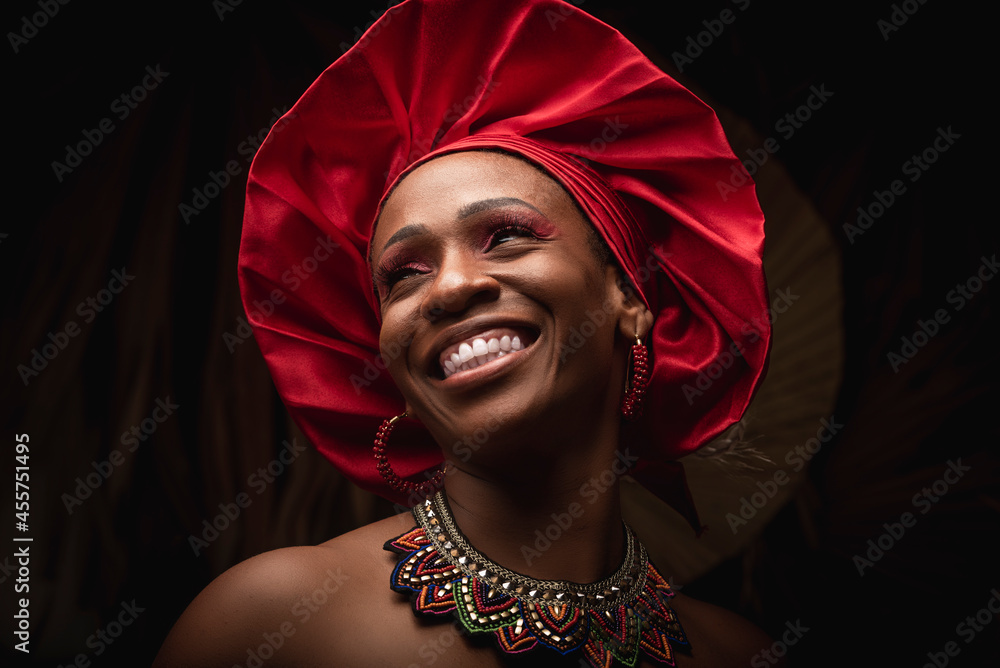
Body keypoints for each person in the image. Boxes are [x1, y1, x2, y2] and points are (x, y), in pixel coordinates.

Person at [155, 1, 773, 665]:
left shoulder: (736, 652)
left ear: (628, 296)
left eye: (506, 236)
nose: (449, 289)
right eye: (403, 275)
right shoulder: (273, 623)